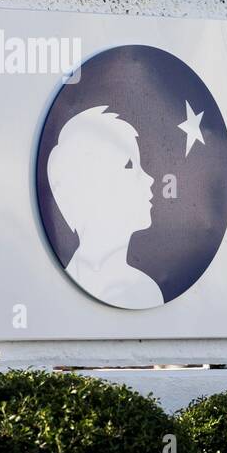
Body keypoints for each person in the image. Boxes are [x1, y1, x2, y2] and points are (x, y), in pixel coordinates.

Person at [47, 105, 164, 309]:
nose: (150, 179)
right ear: (94, 185)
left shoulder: (144, 290)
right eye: (130, 166)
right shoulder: (143, 292)